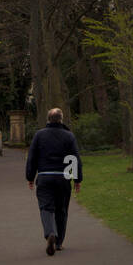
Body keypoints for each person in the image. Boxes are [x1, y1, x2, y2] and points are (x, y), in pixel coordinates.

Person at [24, 107, 83, 256]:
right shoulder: (69, 136)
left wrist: (30, 177)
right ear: (61, 119)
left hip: (44, 177)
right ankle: (58, 242)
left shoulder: (39, 135)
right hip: (63, 177)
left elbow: (32, 158)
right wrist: (77, 179)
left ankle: (50, 232)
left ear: (48, 120)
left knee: (46, 208)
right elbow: (75, 158)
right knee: (61, 210)